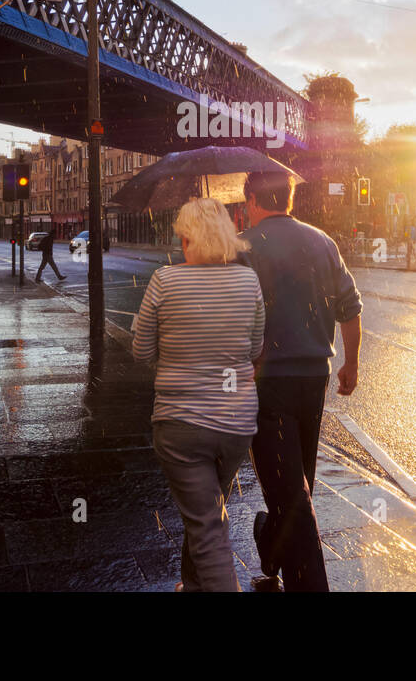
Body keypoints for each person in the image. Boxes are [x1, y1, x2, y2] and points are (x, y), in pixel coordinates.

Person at [238, 171, 362, 592]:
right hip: (315, 381)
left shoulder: (244, 246)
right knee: (294, 484)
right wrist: (352, 365)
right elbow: (350, 307)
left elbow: (230, 317)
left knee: (290, 494)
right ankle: (271, 549)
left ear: (252, 198)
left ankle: (305, 582)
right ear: (288, 198)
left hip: (266, 383)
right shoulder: (322, 242)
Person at [132, 198, 264, 592]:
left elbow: (141, 351)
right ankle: (192, 584)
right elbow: (255, 349)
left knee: (207, 523)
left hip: (181, 424)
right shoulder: (248, 280)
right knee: (207, 510)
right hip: (237, 425)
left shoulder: (164, 281)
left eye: (182, 238)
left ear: (189, 238)